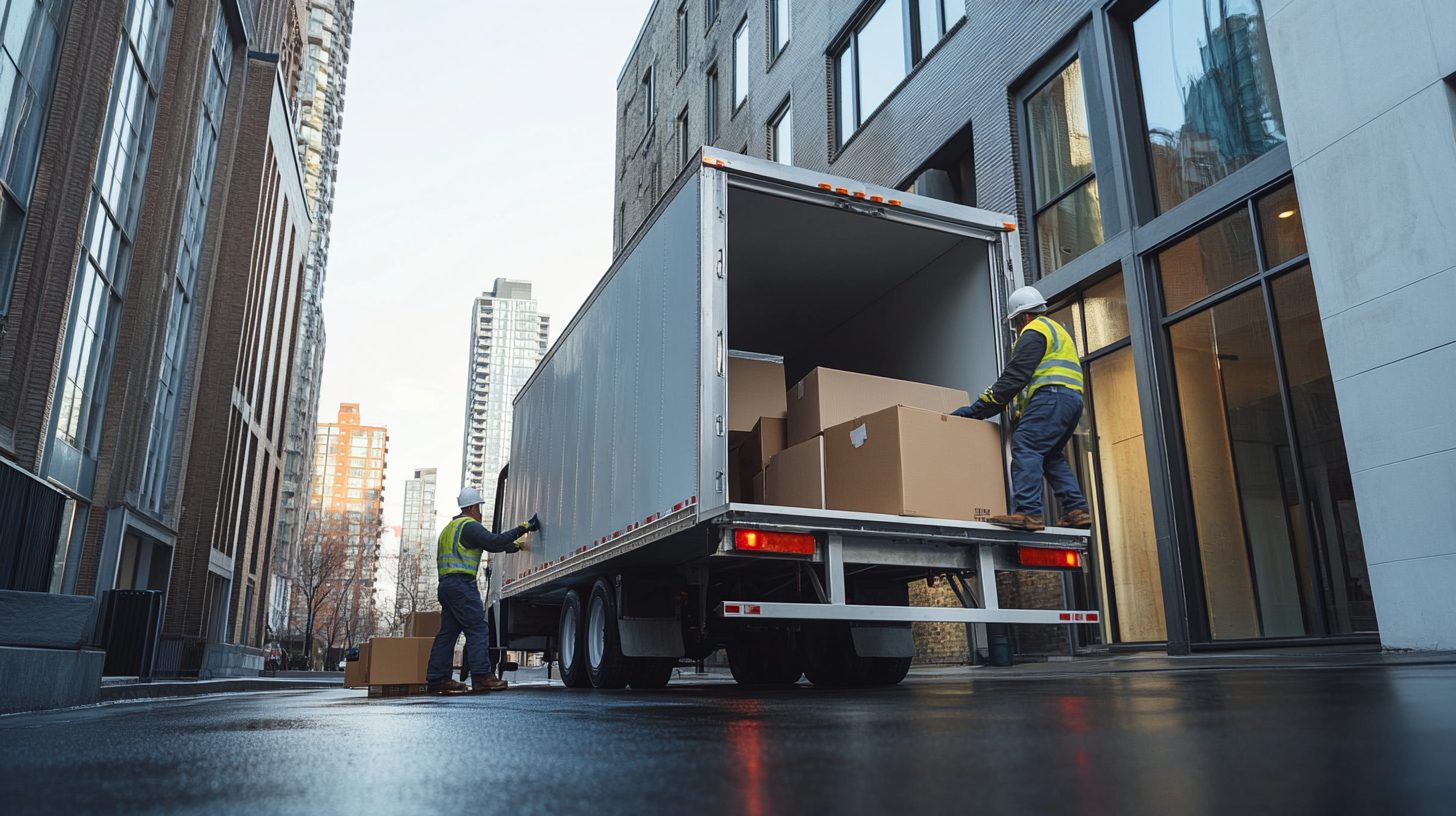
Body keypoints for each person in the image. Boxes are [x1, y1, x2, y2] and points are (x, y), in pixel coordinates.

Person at [952, 286, 1092, 532]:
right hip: (1070, 402)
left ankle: (1028, 514)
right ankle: (1076, 510)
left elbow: (1015, 378)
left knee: (1026, 444)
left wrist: (975, 410)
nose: (1017, 327)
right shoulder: (1057, 332)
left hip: (1051, 398)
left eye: (1016, 322)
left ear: (1023, 316)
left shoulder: (1034, 331)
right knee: (1049, 456)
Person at [426, 487, 539, 694]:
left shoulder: (450, 528)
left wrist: (513, 547)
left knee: (448, 634)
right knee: (477, 629)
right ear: (471, 507)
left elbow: (490, 546)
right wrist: (524, 527)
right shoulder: (469, 526)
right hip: (462, 586)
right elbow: (492, 541)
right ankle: (482, 677)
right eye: (479, 507)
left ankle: (438, 679)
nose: (480, 512)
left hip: (447, 586)